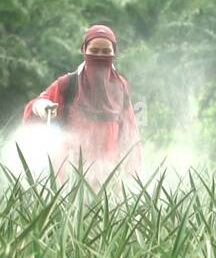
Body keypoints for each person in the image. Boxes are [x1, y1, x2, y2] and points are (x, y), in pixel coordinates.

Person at [23, 24, 142, 189]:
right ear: (84, 50)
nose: (100, 56)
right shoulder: (69, 83)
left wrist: (132, 175)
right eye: (94, 51)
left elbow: (130, 133)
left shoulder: (120, 87)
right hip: (70, 178)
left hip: (109, 179)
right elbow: (34, 106)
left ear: (114, 53)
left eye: (106, 52)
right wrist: (42, 107)